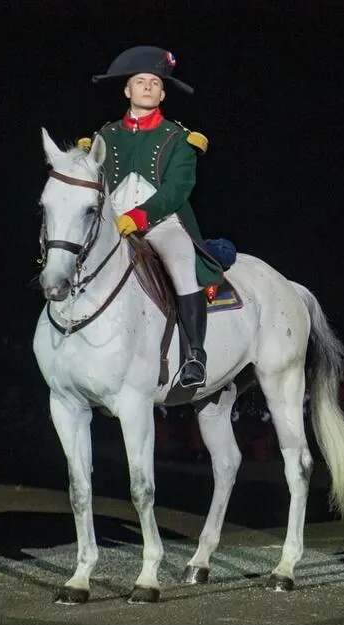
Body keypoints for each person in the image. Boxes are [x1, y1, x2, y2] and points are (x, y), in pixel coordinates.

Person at [89, 45, 221, 388]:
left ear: (162, 93)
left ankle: (195, 356)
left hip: (162, 225)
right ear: (127, 90)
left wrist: (139, 217)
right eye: (139, 81)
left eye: (153, 83)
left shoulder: (179, 138)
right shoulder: (105, 135)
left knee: (182, 269)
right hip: (114, 225)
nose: (147, 87)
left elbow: (177, 189)